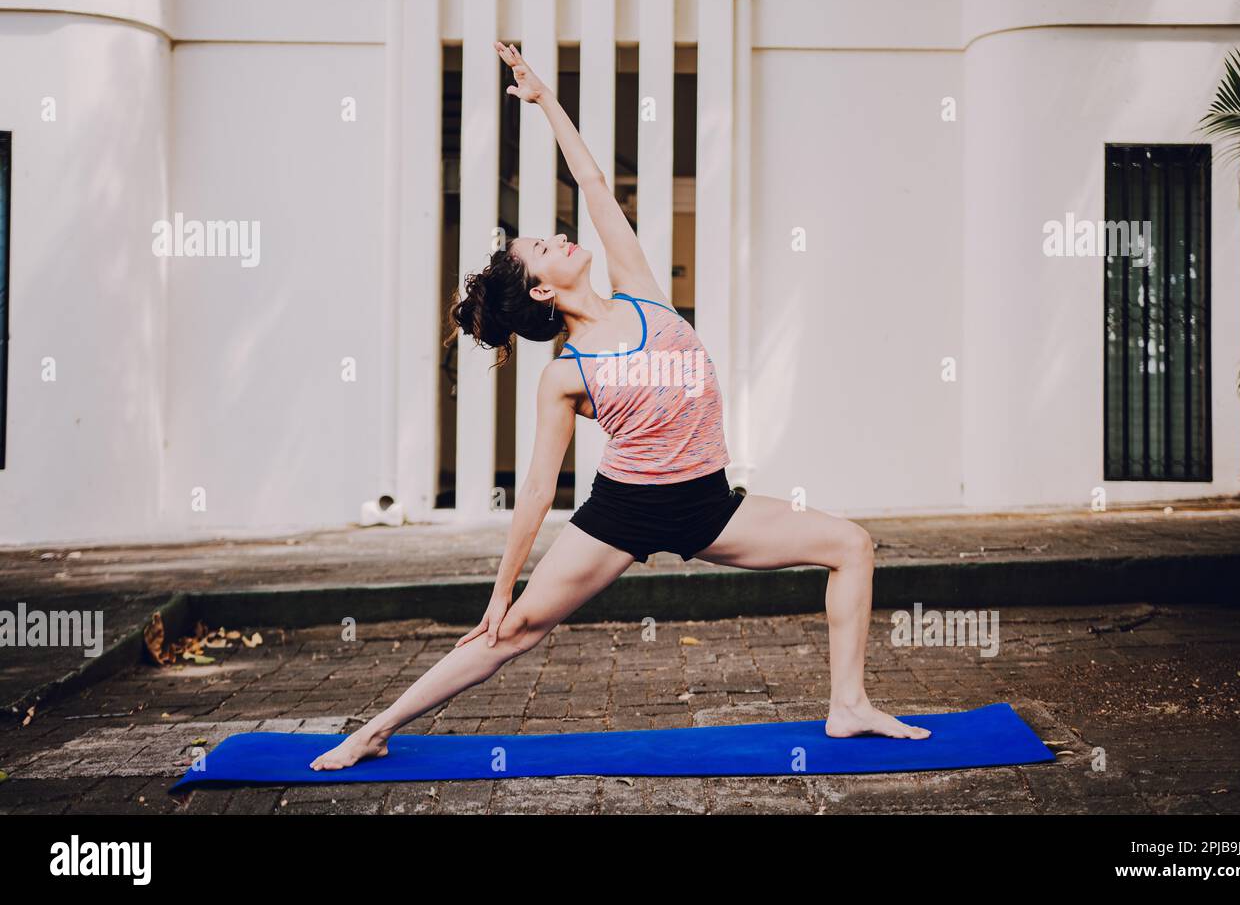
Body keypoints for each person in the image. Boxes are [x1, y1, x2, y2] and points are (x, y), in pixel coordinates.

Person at [310, 42, 928, 771]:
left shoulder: (638, 289)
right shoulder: (565, 376)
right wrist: (502, 587)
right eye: (547, 245)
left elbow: (592, 179)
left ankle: (848, 705)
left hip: (706, 503)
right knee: (511, 633)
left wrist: (545, 102)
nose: (565, 238)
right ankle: (377, 727)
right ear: (542, 289)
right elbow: (539, 487)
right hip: (621, 512)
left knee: (850, 545)